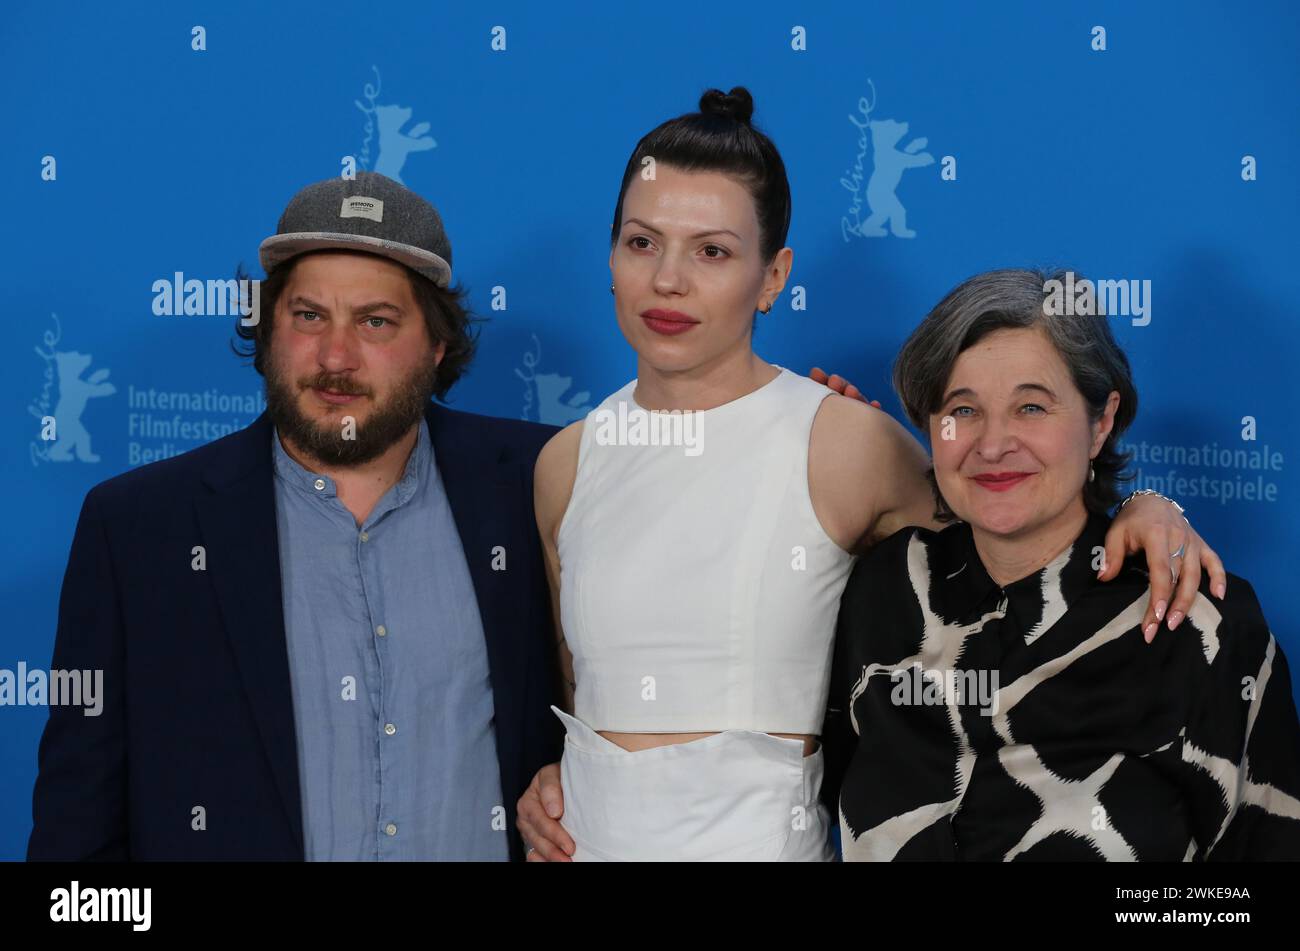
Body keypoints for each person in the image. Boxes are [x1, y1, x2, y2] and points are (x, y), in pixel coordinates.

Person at [516, 88, 1222, 861]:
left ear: (773, 275)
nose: (668, 281)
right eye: (642, 243)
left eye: (712, 250)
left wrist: (1145, 506)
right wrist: (547, 784)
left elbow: (1021, 525)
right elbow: (582, 700)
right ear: (610, 255)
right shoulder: (566, 462)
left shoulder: (845, 443)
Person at [28, 172, 563, 860]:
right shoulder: (139, 528)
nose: (335, 357)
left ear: (436, 345)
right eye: (309, 315)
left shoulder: (538, 483)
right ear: (268, 329)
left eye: (376, 321)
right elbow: (75, 844)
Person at [825, 268, 1300, 860]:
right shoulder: (880, 591)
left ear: (1101, 422)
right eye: (962, 410)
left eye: (1031, 407)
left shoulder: (1199, 622)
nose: (993, 444)